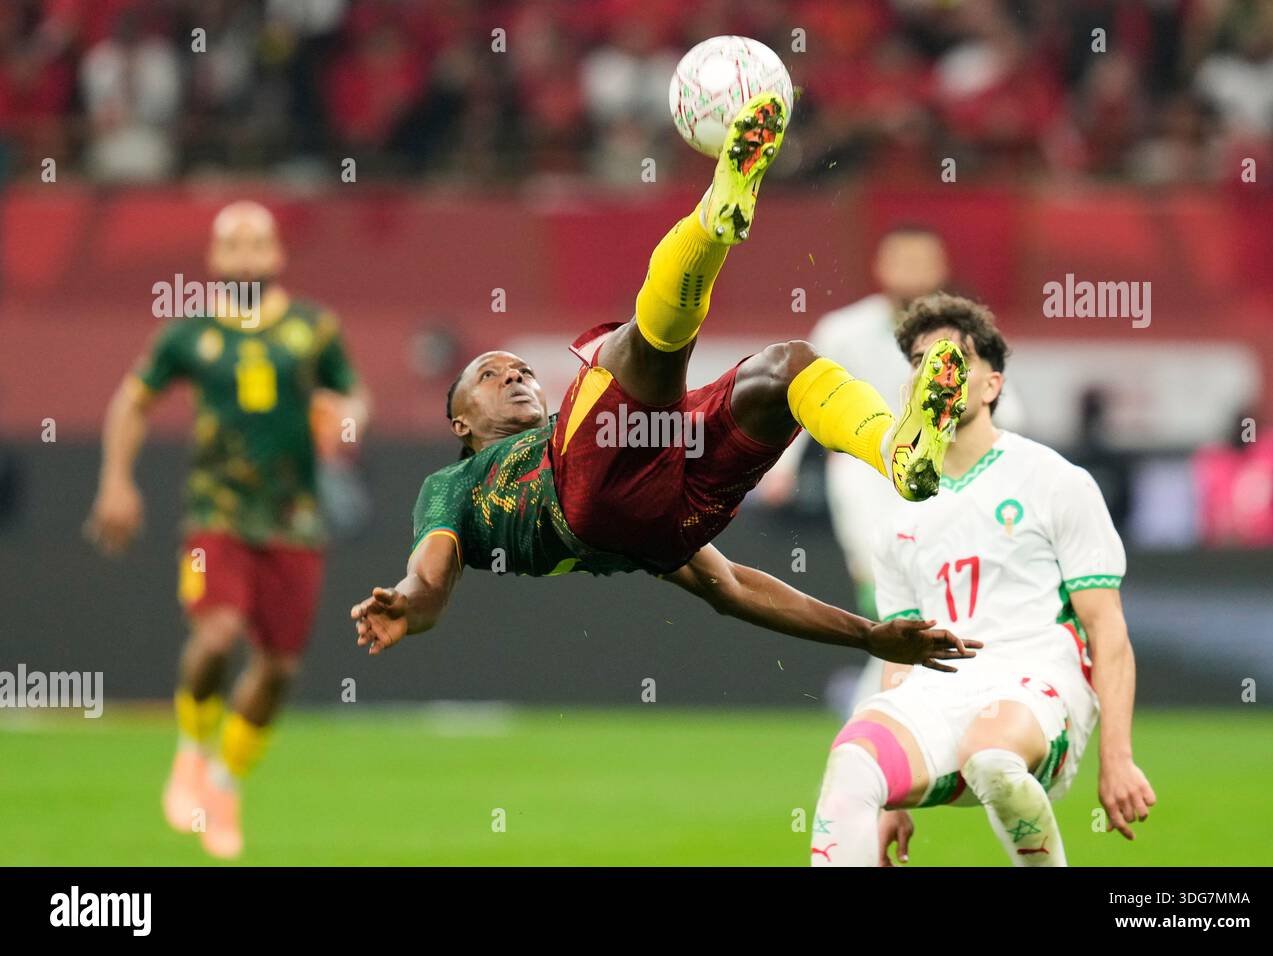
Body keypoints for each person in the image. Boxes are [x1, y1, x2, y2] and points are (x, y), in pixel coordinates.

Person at [351, 93, 975, 679]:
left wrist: (868, 635)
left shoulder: (576, 438)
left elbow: (729, 588)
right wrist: (408, 604)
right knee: (633, 347)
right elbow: (429, 580)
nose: (514, 374)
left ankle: (896, 453)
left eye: (522, 370)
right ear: (459, 423)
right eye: (489, 375)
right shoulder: (454, 485)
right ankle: (714, 217)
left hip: (667, 512)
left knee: (785, 368)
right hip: (583, 499)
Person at [809, 294, 1155, 867]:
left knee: (989, 755)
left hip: (1036, 680)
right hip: (937, 690)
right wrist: (895, 796)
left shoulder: (1055, 481)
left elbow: (1107, 630)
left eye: (953, 359)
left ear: (993, 385)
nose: (936, 373)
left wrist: (1117, 757)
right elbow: (902, 650)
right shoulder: (896, 508)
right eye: (922, 361)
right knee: (852, 761)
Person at [86, 201, 370, 859]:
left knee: (277, 668)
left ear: (276, 257)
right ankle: (190, 752)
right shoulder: (189, 335)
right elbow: (132, 401)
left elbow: (354, 398)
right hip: (216, 513)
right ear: (214, 262)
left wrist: (343, 418)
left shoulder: (313, 329)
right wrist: (116, 481)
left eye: (257, 240)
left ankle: (223, 783)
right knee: (214, 636)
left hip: (294, 519)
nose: (245, 251)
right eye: (231, 242)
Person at [760, 224, 951, 621]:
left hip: (941, 467)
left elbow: (1005, 410)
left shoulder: (960, 332)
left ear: (941, 268)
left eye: (922, 261)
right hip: (862, 466)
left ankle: (920, 638)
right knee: (877, 564)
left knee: (934, 570)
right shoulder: (842, 330)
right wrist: (781, 468)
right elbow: (804, 398)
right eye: (903, 260)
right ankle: (893, 630)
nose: (912, 271)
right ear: (880, 266)